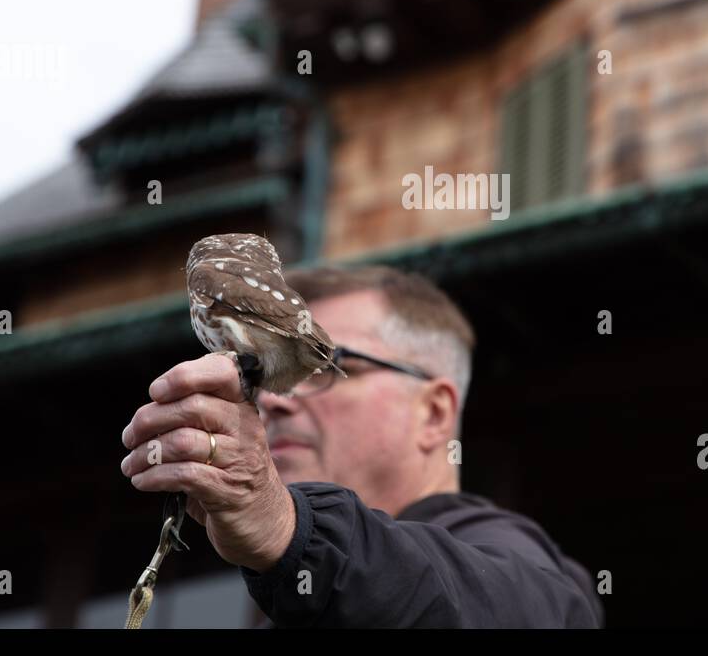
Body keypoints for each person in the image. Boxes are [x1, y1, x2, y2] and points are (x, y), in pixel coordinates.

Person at [120, 265, 603, 628]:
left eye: (322, 366)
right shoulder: (289, 597)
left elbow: (524, 612)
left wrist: (292, 531)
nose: (275, 401)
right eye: (265, 376)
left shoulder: (511, 560)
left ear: (433, 413)